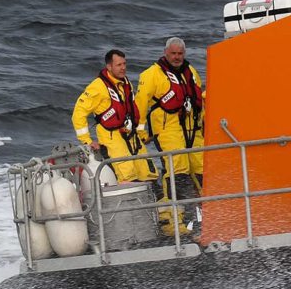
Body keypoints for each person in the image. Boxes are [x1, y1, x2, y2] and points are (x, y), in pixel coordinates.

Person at [136, 36, 205, 236]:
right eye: (173, 53)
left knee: (203, 170)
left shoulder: (190, 71)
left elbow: (198, 98)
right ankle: (173, 222)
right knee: (177, 171)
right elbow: (140, 104)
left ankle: (208, 217)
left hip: (193, 131)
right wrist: (141, 131)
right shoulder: (151, 75)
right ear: (166, 53)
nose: (177, 57)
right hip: (168, 130)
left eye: (180, 54)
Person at [71, 49, 149, 182]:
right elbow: (78, 113)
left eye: (124, 64)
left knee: (147, 173)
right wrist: (87, 141)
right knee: (127, 175)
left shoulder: (126, 84)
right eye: (119, 65)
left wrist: (141, 134)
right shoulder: (97, 87)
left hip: (132, 136)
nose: (123, 68)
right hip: (111, 138)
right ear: (109, 66)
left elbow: (135, 110)